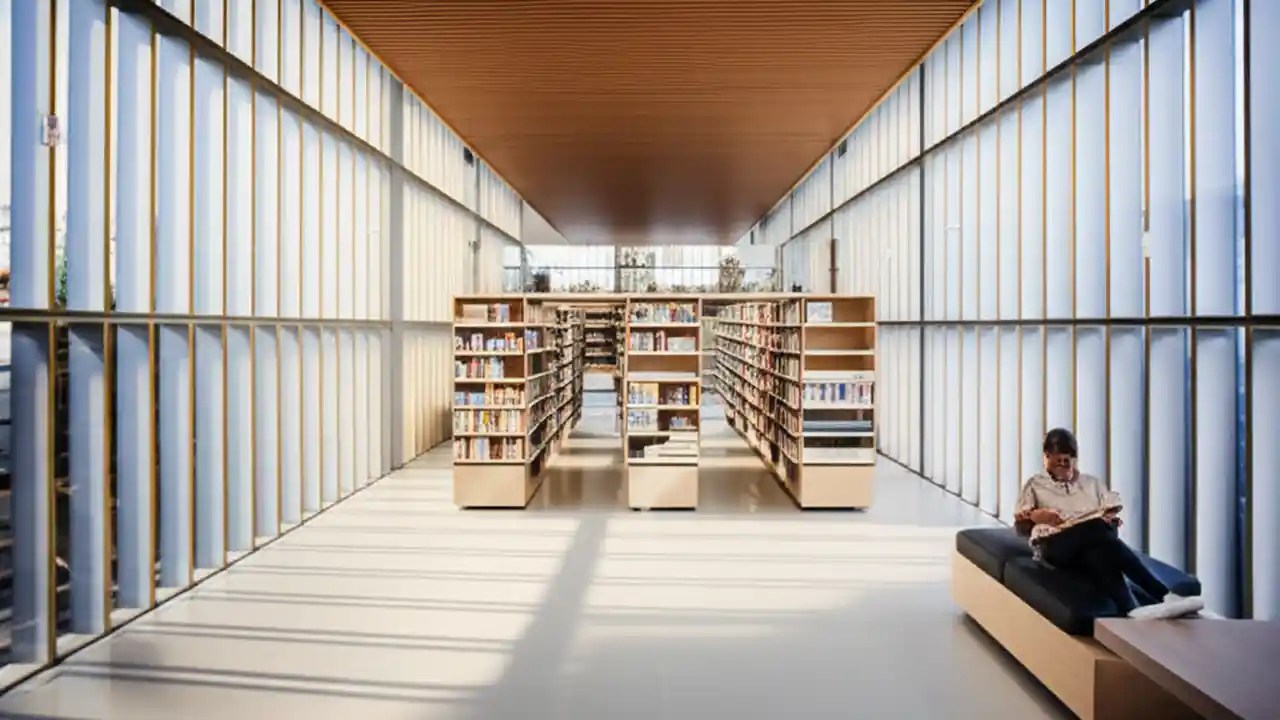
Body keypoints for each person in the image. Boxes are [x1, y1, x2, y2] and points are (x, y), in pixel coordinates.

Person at [1014, 428, 1204, 620]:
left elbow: (1110, 514)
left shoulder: (1091, 483)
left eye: (1067, 461)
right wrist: (1038, 516)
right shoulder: (1035, 484)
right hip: (1055, 543)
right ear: (1046, 457)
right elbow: (1020, 524)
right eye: (1057, 462)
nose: (1063, 466)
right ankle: (1163, 594)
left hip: (1090, 541)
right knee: (1096, 529)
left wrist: (1111, 519)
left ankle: (1132, 609)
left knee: (1099, 552)